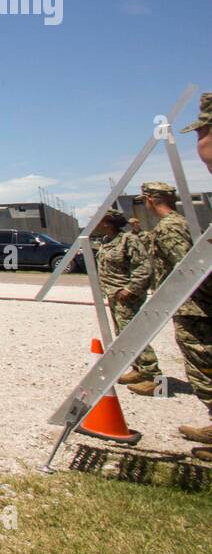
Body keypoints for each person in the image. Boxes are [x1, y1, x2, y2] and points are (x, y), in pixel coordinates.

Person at [130, 181, 212, 451]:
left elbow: (190, 268)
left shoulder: (170, 227)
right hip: (191, 305)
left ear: (151, 200)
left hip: (194, 307)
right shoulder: (179, 223)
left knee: (203, 368)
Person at [92, 210, 157, 386]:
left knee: (132, 334)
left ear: (107, 222)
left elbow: (144, 267)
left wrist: (130, 289)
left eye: (98, 220)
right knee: (123, 334)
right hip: (113, 294)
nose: (95, 223)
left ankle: (152, 376)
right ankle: (139, 369)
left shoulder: (129, 239)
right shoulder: (106, 241)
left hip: (127, 296)